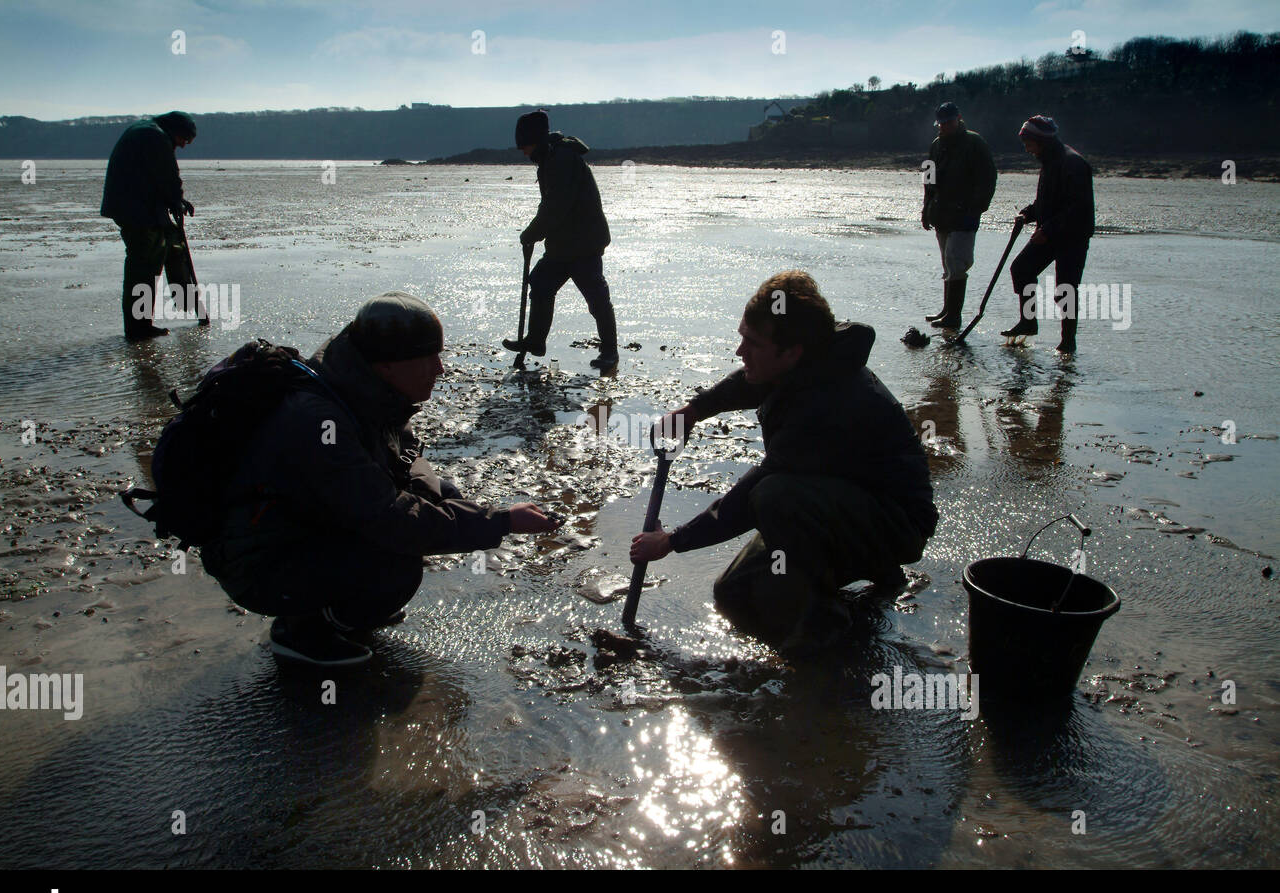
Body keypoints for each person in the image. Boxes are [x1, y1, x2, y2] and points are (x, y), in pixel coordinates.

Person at [201, 292, 561, 666]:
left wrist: (447, 500)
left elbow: (405, 457)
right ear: (388, 364)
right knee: (396, 566)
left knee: (421, 519)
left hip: (296, 529)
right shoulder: (321, 422)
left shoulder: (364, 388)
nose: (441, 370)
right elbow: (390, 519)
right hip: (257, 561)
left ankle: (339, 609)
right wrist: (499, 522)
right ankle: (303, 628)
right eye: (429, 359)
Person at [629, 271, 939, 653]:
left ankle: (824, 616)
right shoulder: (810, 354)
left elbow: (750, 496)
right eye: (742, 336)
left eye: (752, 343)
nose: (740, 351)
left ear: (791, 352)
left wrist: (672, 541)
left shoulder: (827, 405)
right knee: (733, 593)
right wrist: (693, 411)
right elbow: (752, 378)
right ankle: (852, 568)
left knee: (774, 496)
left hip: (897, 524)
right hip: (844, 503)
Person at [502, 109, 619, 371]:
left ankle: (610, 352)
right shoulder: (550, 157)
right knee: (541, 282)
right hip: (563, 244)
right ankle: (535, 341)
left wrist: (531, 233)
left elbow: (556, 206)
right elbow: (552, 207)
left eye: (525, 146)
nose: (523, 152)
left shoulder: (562, 158)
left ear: (536, 140)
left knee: (596, 297)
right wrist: (536, 233)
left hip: (584, 243)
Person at [100, 110, 201, 341]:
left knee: (145, 265)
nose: (183, 146)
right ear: (176, 131)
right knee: (143, 268)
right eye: (184, 140)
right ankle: (138, 328)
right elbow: (167, 173)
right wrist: (176, 198)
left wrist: (174, 200)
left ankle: (140, 325)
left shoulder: (146, 131)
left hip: (134, 207)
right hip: (137, 210)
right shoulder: (154, 137)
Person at [1000, 115, 1095, 354]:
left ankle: (1067, 341)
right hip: (1050, 232)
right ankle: (1029, 322)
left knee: (1066, 289)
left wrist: (1048, 229)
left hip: (1073, 236)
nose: (1026, 148)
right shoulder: (1050, 161)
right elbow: (1048, 202)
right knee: (1021, 269)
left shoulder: (1073, 163)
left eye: (1028, 143)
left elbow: (1079, 208)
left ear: (1040, 141)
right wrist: (1028, 214)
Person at [922, 102, 997, 331]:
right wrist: (926, 209)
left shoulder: (974, 143)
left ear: (958, 119)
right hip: (941, 213)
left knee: (957, 261)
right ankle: (947, 310)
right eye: (942, 123)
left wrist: (976, 208)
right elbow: (929, 179)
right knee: (947, 262)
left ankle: (954, 317)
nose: (945, 126)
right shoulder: (936, 145)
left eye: (949, 122)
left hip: (964, 214)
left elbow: (988, 178)